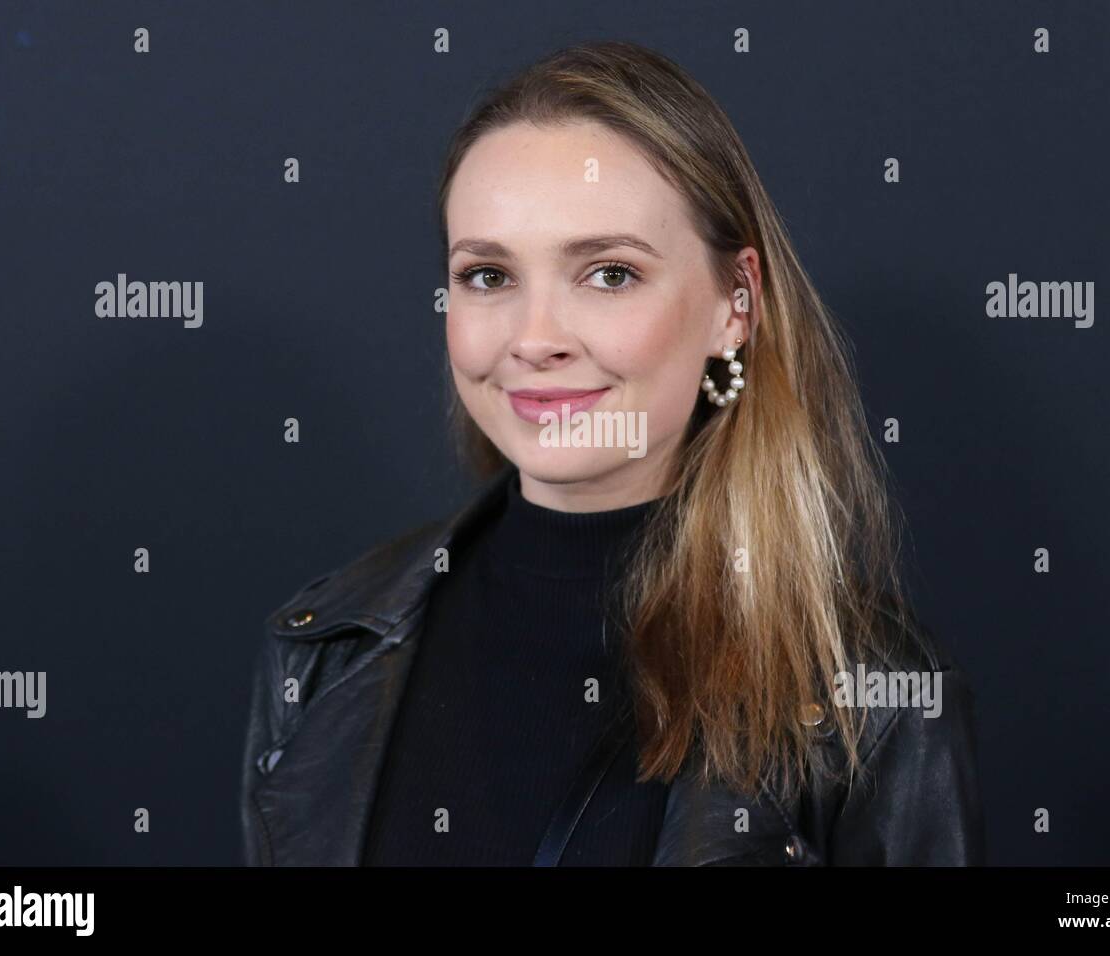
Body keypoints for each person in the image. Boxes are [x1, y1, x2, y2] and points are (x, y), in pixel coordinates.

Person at [239, 40, 985, 866]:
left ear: (735, 306)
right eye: (489, 275)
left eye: (609, 274)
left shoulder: (867, 694)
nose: (535, 339)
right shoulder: (324, 647)